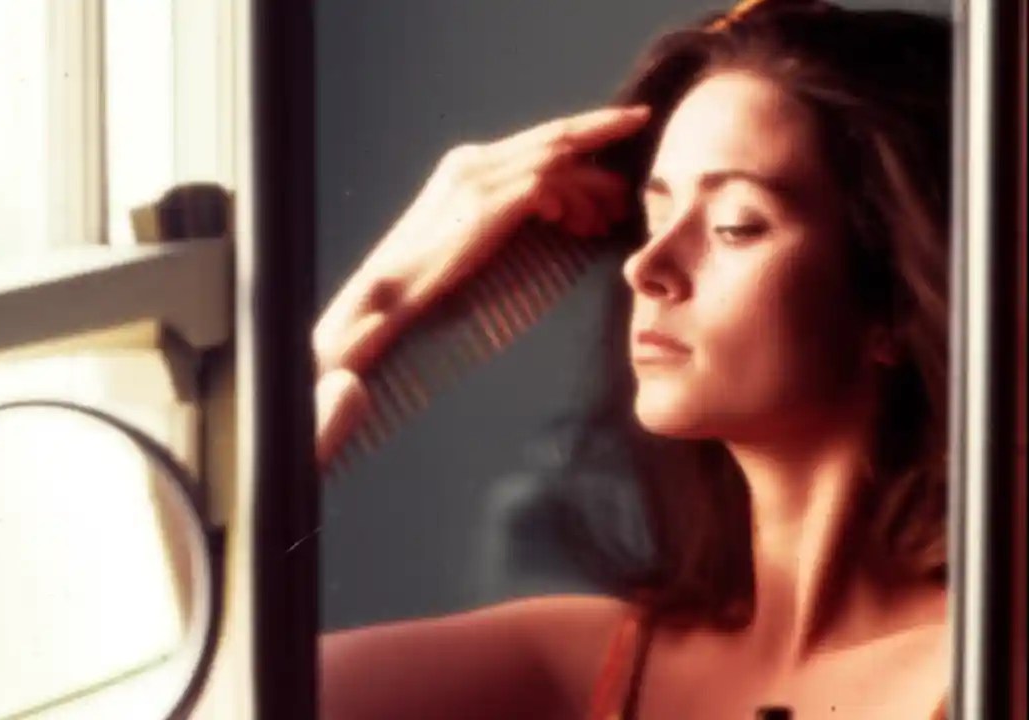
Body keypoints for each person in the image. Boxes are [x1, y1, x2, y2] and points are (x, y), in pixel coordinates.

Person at [313, 0, 952, 717]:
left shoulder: (987, 668)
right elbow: (194, 689)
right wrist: (378, 301)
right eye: (654, 216)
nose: (645, 266)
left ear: (895, 299)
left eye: (735, 225)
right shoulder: (584, 664)